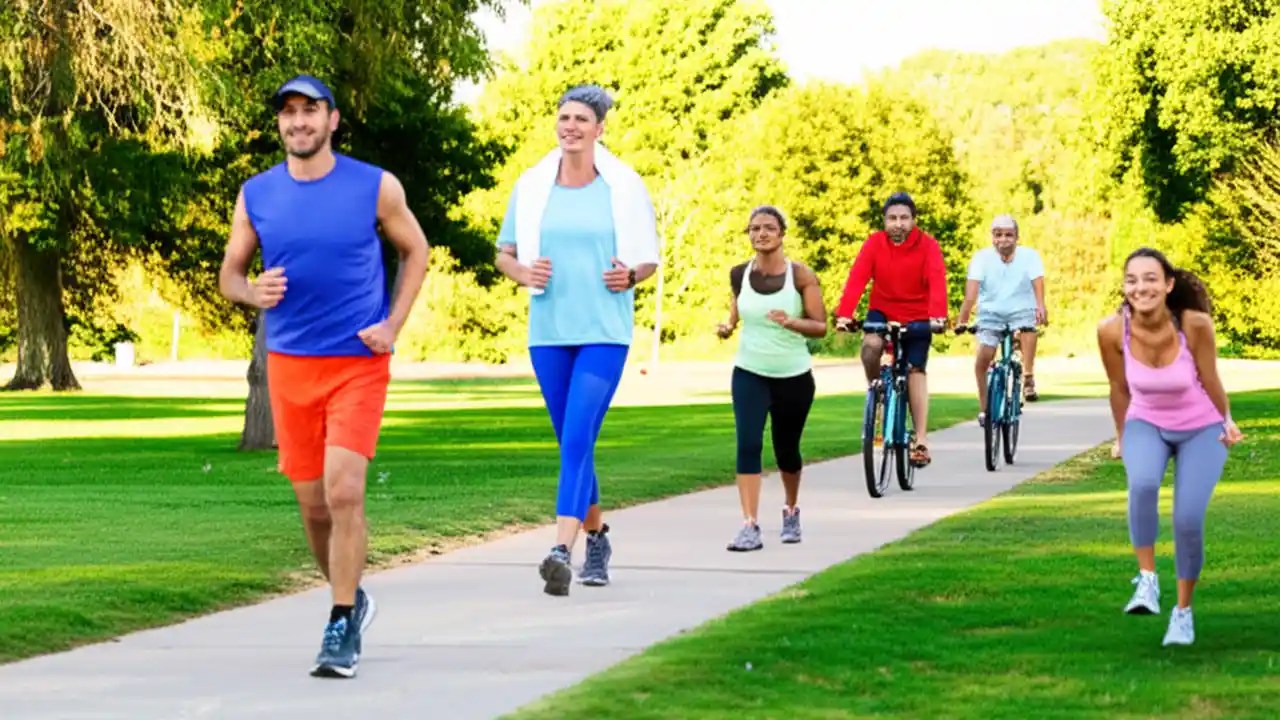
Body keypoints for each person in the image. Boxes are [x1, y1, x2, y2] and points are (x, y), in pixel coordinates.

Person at [218, 74, 430, 678]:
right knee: (313, 508)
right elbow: (230, 275)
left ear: (333, 119)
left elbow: (417, 250)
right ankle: (351, 595)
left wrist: (393, 324)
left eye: (310, 110)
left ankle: (340, 623)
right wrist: (251, 291)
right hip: (289, 365)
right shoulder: (257, 193)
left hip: (358, 361)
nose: (298, 122)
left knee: (344, 490)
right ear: (280, 124)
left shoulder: (374, 186)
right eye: (288, 113)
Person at [494, 84, 660, 596]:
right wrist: (524, 273)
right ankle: (598, 538)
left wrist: (629, 275)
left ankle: (560, 549)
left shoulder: (624, 188)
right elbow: (504, 253)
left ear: (599, 128)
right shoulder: (532, 186)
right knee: (573, 441)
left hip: (604, 332)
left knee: (576, 437)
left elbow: (648, 259)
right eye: (564, 117)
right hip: (548, 332)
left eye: (581, 119)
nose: (570, 126)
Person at [1097, 247, 1244, 646]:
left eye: (1150, 278)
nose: (1141, 287)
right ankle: (1147, 581)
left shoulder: (1194, 324)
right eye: (1132, 280)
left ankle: (1183, 612)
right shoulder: (1111, 330)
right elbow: (1118, 387)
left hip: (1201, 426)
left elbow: (1210, 378)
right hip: (1147, 421)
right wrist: (1122, 435)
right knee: (1142, 484)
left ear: (1168, 284)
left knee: (1187, 519)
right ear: (1125, 286)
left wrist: (1227, 419)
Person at [715, 206, 827, 551]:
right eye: (754, 229)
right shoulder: (739, 274)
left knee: (786, 450)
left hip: (793, 376)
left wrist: (791, 322)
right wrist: (728, 326)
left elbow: (821, 326)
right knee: (748, 444)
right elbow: (737, 308)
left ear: (781, 234)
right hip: (749, 371)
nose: (760, 234)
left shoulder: (801, 276)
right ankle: (749, 525)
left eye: (768, 228)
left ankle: (791, 509)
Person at [834, 192, 948, 466]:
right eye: (892, 218)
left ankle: (920, 440)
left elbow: (937, 280)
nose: (898, 224)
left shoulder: (928, 246)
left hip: (919, 316)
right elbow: (857, 278)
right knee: (871, 347)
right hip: (882, 311)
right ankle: (877, 392)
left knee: (915, 370)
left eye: (904, 218)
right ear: (884, 221)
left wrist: (938, 316)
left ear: (914, 221)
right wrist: (844, 315)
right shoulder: (874, 244)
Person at [954, 214, 1048, 424]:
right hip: (991, 313)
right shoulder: (981, 258)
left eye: (1008, 234)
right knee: (983, 359)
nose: (1003, 239)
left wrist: (1041, 306)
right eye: (998, 235)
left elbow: (1037, 282)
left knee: (1028, 329)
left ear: (1017, 237)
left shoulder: (1029, 256)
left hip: (1021, 309)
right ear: (992, 237)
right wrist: (962, 319)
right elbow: (971, 293)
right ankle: (985, 409)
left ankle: (1028, 376)